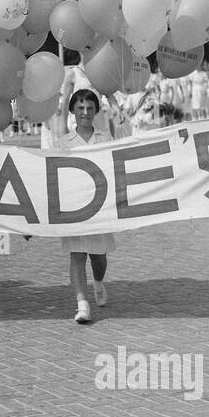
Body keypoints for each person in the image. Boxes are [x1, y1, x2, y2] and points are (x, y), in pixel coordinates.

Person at [57, 90, 117, 325]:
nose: (85, 113)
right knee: (77, 254)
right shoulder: (64, 143)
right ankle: (82, 305)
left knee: (98, 256)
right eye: (80, 108)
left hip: (99, 208)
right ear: (72, 111)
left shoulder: (104, 139)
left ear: (96, 111)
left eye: (90, 108)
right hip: (74, 208)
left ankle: (99, 282)